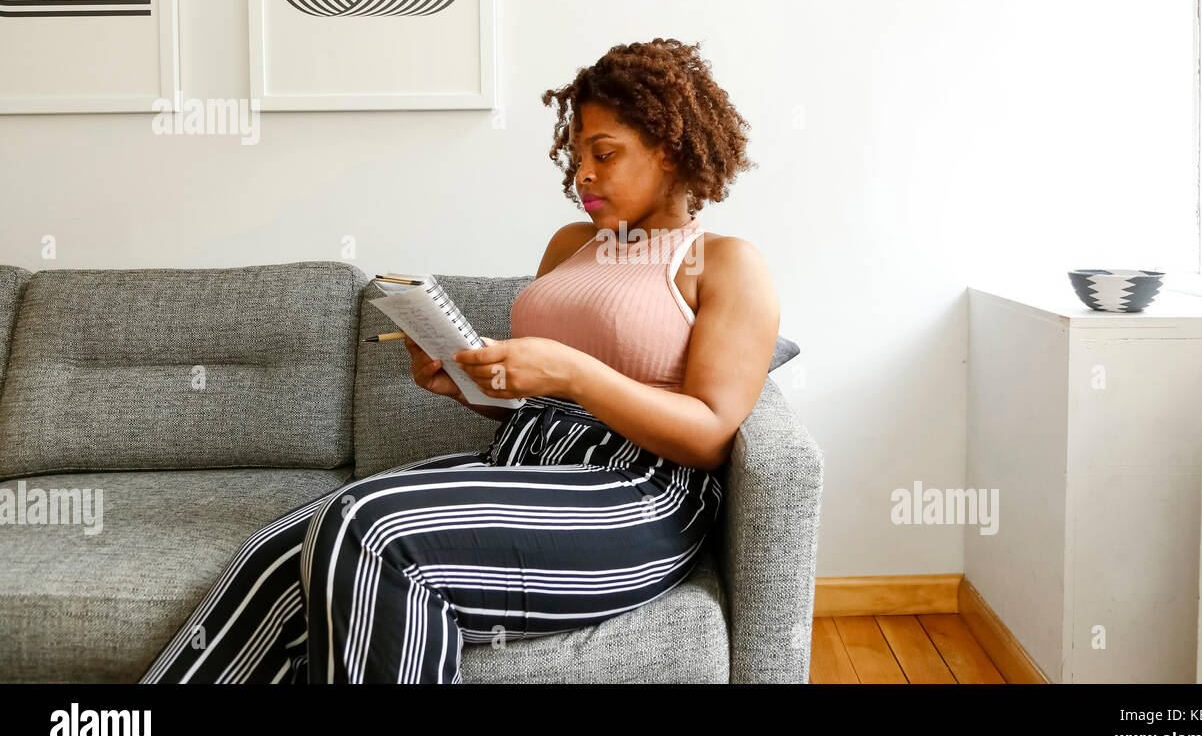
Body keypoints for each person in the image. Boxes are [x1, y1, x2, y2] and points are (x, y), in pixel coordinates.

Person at [138, 37, 780, 683]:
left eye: (604, 154)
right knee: (280, 553)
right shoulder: (570, 244)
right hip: (525, 460)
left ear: (668, 149)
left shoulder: (725, 263)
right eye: (576, 154)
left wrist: (573, 373)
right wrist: (464, 385)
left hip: (637, 496)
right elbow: (531, 403)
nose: (582, 173)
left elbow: (709, 434)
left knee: (368, 528)